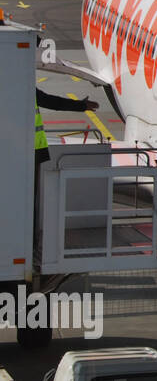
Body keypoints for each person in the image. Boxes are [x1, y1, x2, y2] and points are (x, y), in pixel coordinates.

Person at [33, 89, 99, 257]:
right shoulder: (21, 82)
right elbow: (51, 102)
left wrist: (81, 105)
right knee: (31, 201)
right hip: (32, 150)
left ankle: (30, 242)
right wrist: (81, 105)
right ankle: (31, 243)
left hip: (25, 149)